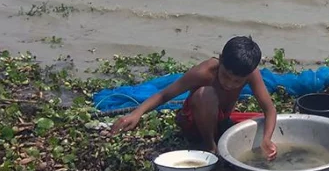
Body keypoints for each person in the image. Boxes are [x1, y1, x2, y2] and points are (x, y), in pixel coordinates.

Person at [109, 36, 278, 160]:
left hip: (220, 120)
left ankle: (218, 137)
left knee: (262, 123)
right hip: (194, 123)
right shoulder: (203, 73)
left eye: (237, 81)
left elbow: (269, 110)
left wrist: (266, 139)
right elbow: (163, 95)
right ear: (220, 60)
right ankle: (211, 148)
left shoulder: (250, 73)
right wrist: (136, 114)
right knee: (207, 94)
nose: (230, 84)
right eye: (226, 76)